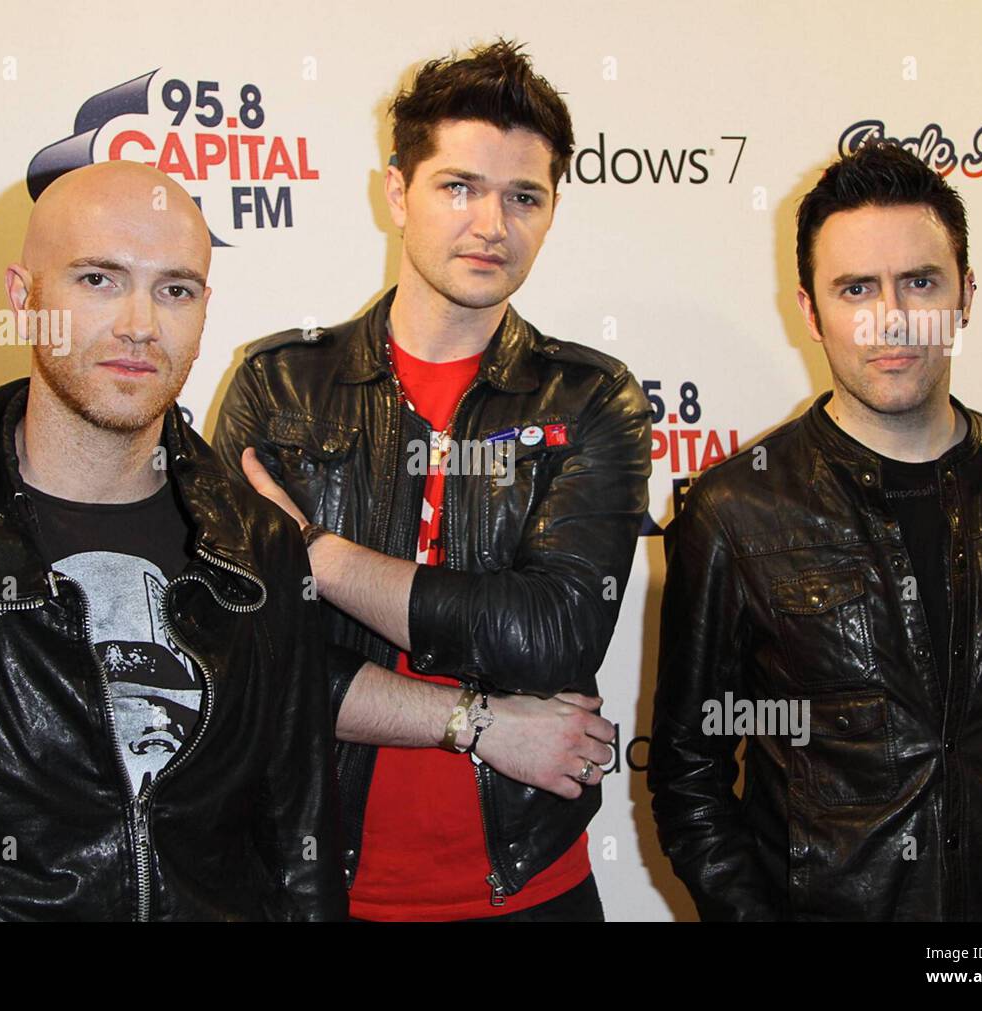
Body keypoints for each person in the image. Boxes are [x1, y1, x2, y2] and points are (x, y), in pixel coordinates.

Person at [0, 161, 345, 921]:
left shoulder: (258, 546)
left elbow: (300, 848)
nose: (140, 322)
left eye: (175, 288)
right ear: (23, 298)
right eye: (98, 280)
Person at [214, 40, 651, 921]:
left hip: (533, 891)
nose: (492, 223)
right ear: (395, 192)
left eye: (523, 196)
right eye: (458, 186)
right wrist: (479, 721)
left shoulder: (592, 396)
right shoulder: (280, 386)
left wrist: (318, 558)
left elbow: (553, 636)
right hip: (315, 889)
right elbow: (247, 663)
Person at [648, 140, 982, 921]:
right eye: (856, 288)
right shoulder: (735, 511)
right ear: (809, 310)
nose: (890, 317)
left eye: (919, 282)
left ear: (965, 295)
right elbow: (689, 775)